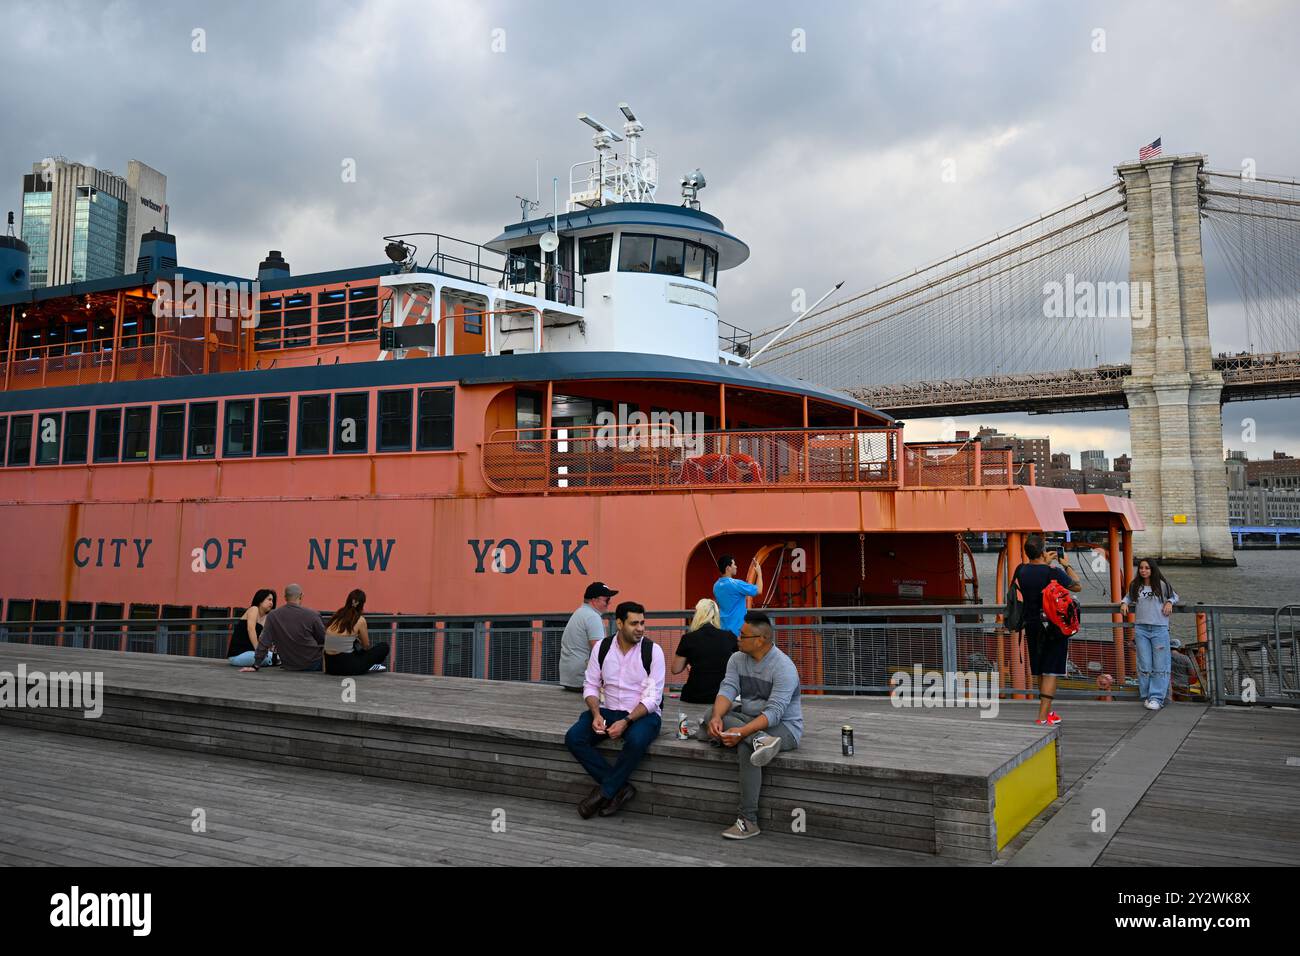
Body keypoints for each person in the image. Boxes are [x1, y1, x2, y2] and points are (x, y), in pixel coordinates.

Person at [699, 610, 803, 840]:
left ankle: (748, 820)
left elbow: (775, 713)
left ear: (760, 640)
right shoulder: (737, 659)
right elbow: (727, 689)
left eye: (743, 635)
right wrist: (717, 716)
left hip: (784, 729)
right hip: (749, 721)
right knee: (710, 714)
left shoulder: (784, 667)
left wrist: (742, 733)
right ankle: (758, 740)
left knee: (747, 746)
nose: (738, 638)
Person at [563, 601, 665, 819]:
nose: (640, 628)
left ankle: (605, 791)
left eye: (643, 623)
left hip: (642, 714)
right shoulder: (602, 648)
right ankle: (621, 788)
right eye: (634, 623)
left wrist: (627, 721)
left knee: (636, 740)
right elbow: (590, 684)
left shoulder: (652, 651)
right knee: (574, 737)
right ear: (619, 623)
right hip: (607, 710)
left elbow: (652, 698)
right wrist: (597, 714)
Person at [1011, 536, 1081, 726]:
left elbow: (1034, 577)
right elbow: (1077, 585)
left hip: (1032, 625)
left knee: (1041, 669)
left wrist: (1044, 563)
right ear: (1043, 551)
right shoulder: (1053, 572)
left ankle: (1047, 712)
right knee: (1051, 670)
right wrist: (1065, 565)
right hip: (1053, 626)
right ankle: (1042, 716)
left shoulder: (1021, 571)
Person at [1120, 558, 1180, 710]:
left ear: (1152, 569)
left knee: (1160, 664)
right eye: (1141, 567)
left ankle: (1157, 698)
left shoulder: (1162, 585)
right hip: (1141, 629)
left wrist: (1169, 602)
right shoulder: (1135, 585)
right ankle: (1147, 695)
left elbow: (1175, 596)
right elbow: (1128, 596)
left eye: (1147, 568)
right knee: (1144, 664)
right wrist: (1124, 603)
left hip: (1159, 629)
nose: (1143, 570)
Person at [240, 583, 326, 672]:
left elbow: (264, 641)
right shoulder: (313, 615)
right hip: (314, 663)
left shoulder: (273, 616)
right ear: (301, 596)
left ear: (285, 597)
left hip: (289, 665)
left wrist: (256, 665)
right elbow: (323, 640)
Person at [671, 598, 737, 708]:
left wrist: (690, 661)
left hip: (693, 696)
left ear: (697, 615)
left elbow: (675, 669)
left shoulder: (688, 638)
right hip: (721, 696)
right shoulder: (729, 637)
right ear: (716, 615)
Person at [558, 582, 617, 691]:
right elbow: (599, 651)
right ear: (594, 600)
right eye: (606, 600)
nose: (609, 603)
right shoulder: (593, 617)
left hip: (569, 678)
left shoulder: (580, 612)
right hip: (580, 680)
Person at [323, 589, 390, 675]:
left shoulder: (336, 616)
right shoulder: (360, 620)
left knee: (353, 646)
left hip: (330, 667)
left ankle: (368, 664)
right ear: (362, 604)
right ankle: (371, 665)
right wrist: (358, 639)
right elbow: (366, 646)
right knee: (384, 647)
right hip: (348, 668)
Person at [713, 554, 762, 638]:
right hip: (737, 631)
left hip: (722, 628)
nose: (736, 567)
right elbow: (758, 590)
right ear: (728, 568)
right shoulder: (736, 584)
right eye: (734, 564)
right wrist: (759, 573)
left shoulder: (716, 585)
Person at [227, 589, 275, 667]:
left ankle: (273, 660)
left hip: (251, 653)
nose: (271, 603)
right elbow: (251, 629)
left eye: (272, 600)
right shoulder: (254, 609)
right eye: (269, 599)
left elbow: (263, 639)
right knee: (265, 658)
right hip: (238, 655)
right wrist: (259, 652)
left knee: (276, 656)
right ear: (260, 600)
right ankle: (273, 661)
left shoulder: (265, 618)